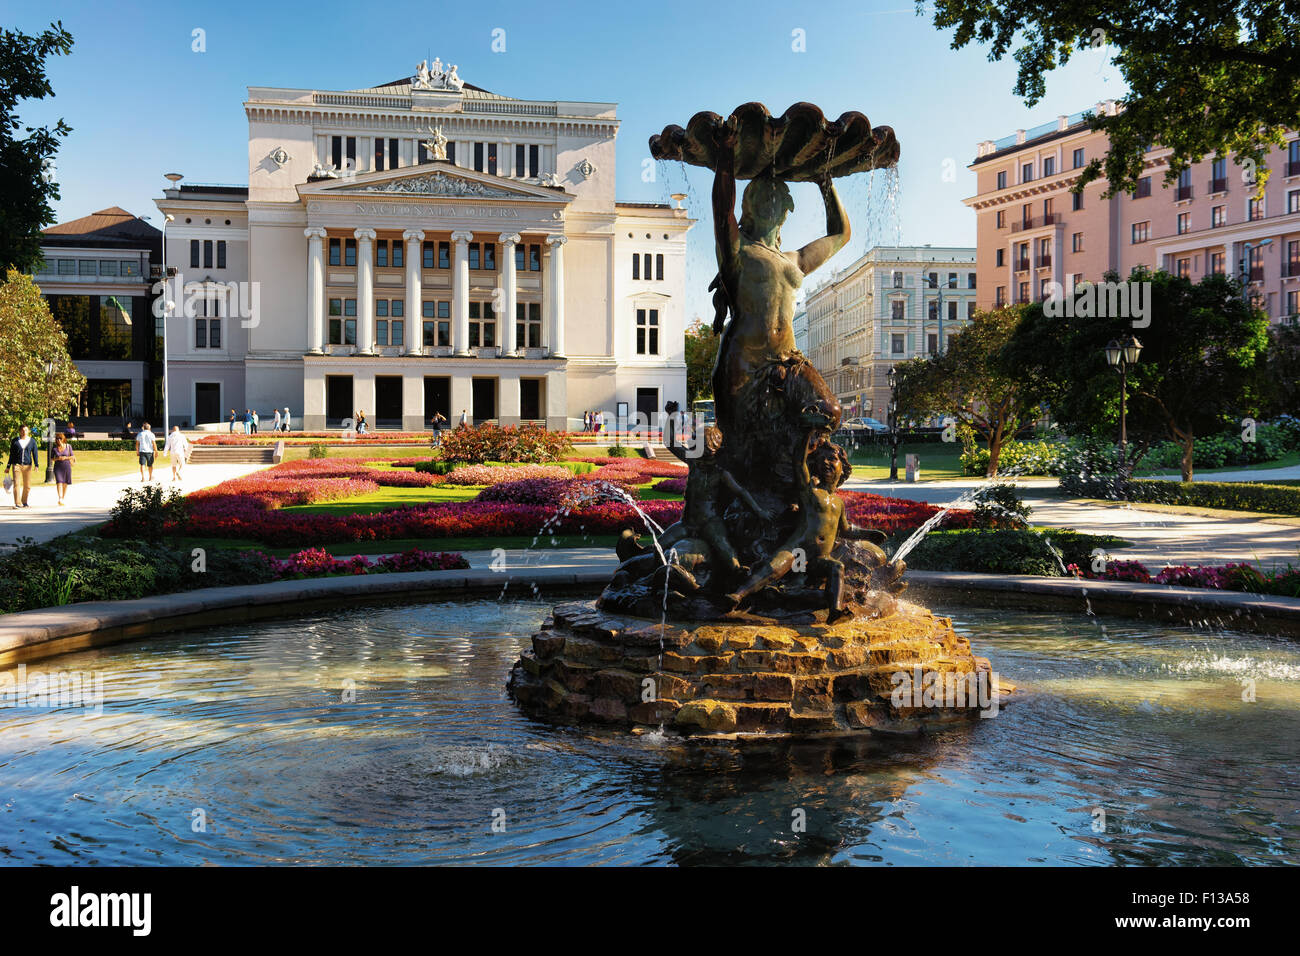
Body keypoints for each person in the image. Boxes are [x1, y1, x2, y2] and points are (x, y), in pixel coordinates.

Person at [725, 431, 896, 621]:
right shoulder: (810, 493)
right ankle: (738, 595)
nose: (825, 463)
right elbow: (799, 465)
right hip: (798, 550)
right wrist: (806, 433)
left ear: (843, 468)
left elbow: (846, 530)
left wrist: (869, 534)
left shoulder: (838, 503)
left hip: (819, 557)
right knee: (775, 567)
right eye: (821, 459)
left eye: (831, 459)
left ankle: (835, 611)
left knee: (836, 567)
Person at [5, 425, 40, 509]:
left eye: (26, 430)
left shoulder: (32, 441)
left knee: (27, 486)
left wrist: (36, 465)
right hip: (16, 465)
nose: (24, 432)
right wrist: (8, 466)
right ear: (20, 431)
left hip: (28, 466)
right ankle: (17, 503)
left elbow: (35, 453)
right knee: (16, 484)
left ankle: (24, 502)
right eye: (22, 430)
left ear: (28, 431)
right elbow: (12, 454)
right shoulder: (15, 441)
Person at [51, 432, 74, 505]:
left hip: (67, 466)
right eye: (57, 438)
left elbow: (72, 456)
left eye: (60, 438)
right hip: (58, 467)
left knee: (65, 483)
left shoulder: (68, 446)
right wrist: (57, 458)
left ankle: (63, 497)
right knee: (59, 482)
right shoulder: (54, 448)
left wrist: (65, 457)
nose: (58, 440)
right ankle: (60, 498)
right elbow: (52, 459)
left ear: (63, 439)